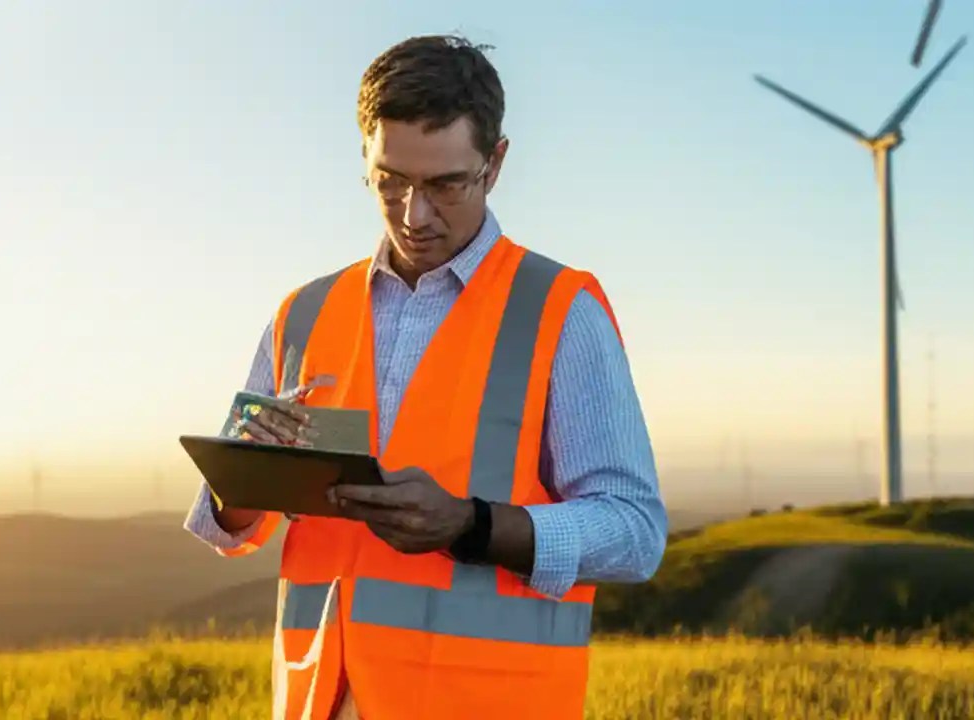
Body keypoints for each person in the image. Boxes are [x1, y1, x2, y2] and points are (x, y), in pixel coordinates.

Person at [182, 34, 668, 719]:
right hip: (318, 700)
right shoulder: (305, 311)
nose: (415, 214)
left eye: (445, 184)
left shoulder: (561, 310)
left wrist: (470, 525)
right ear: (365, 157)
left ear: (494, 164)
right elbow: (229, 522)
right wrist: (243, 476)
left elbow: (634, 533)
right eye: (391, 181)